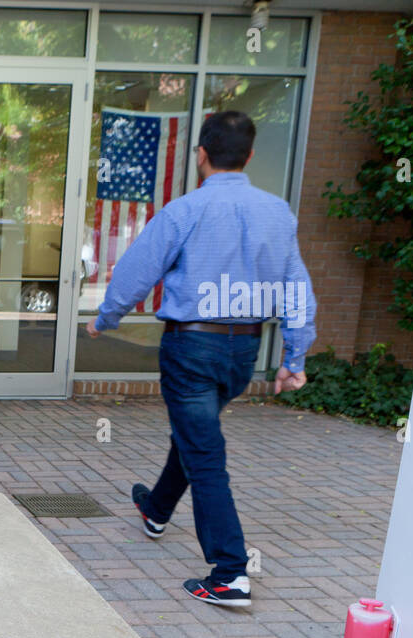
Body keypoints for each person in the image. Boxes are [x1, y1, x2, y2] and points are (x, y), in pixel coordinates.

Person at [87, 110, 316, 608]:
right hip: (243, 351)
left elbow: (136, 270)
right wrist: (293, 355)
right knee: (197, 435)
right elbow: (297, 287)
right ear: (249, 156)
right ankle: (156, 510)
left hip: (192, 349)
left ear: (201, 155)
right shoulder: (278, 213)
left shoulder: (185, 210)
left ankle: (230, 572)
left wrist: (105, 318)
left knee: (205, 454)